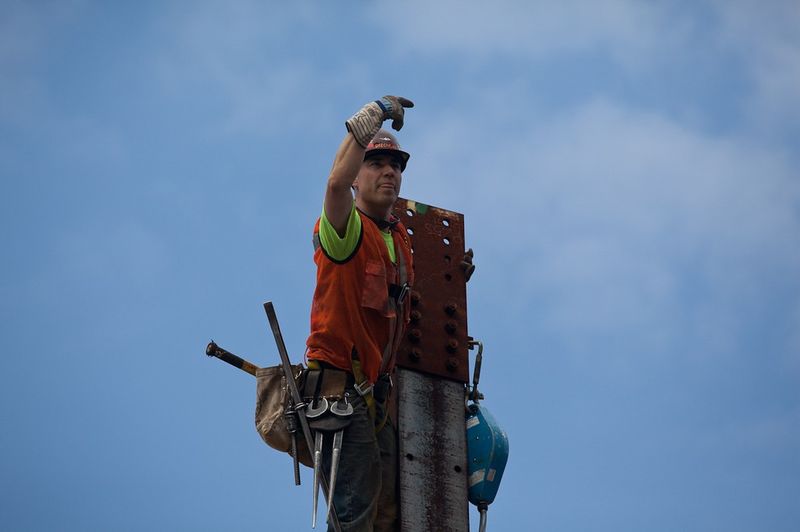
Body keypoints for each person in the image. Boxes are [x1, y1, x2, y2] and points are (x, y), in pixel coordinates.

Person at [305, 95, 415, 532]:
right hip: (339, 392)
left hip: (376, 401)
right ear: (358, 179)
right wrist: (369, 121)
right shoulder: (345, 229)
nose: (390, 171)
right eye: (376, 164)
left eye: (396, 165)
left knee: (389, 517)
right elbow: (334, 185)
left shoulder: (399, 239)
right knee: (355, 515)